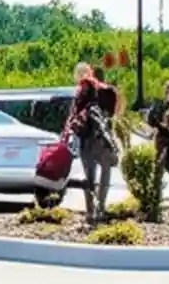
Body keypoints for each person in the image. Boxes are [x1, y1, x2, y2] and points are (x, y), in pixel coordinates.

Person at [66, 62, 119, 222]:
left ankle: (90, 212)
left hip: (86, 139)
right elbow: (111, 116)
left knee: (89, 176)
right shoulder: (106, 91)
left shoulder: (82, 91)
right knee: (106, 170)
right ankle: (101, 208)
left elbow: (73, 118)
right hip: (101, 139)